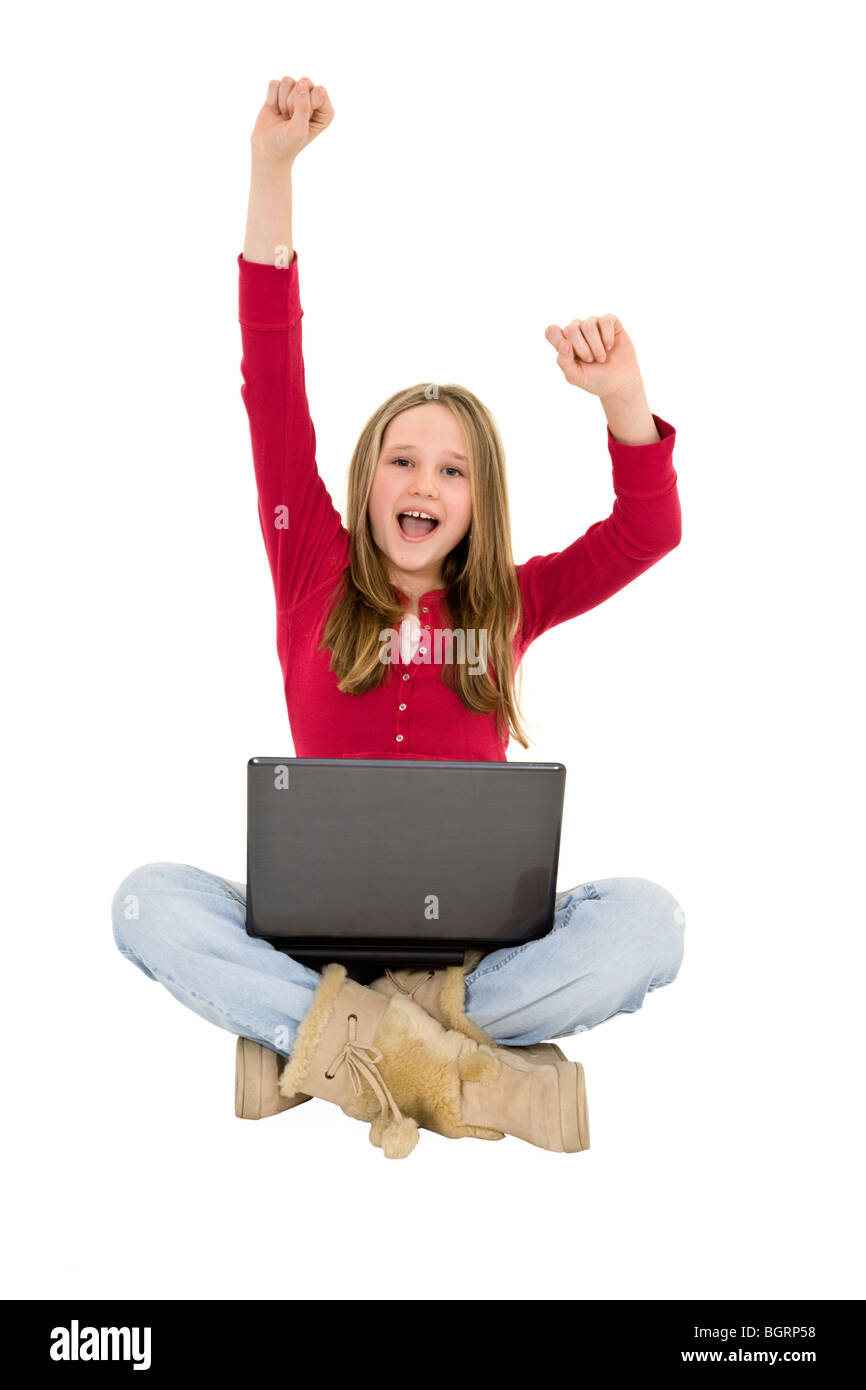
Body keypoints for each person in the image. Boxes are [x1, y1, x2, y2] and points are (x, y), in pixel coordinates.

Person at [112, 75, 686, 1159]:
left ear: (477, 500)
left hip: (471, 956)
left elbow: (646, 531)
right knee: (147, 902)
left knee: (648, 922)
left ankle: (331, 1048)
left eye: (452, 469)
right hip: (312, 938)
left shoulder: (511, 602)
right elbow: (271, 369)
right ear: (367, 477)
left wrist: (621, 397)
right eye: (404, 459)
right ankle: (456, 1066)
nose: (424, 482)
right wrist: (271, 169)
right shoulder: (310, 563)